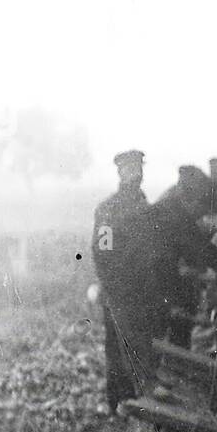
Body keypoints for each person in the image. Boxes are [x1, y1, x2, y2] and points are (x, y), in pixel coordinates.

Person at [92, 149, 157, 414]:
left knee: (139, 344)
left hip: (143, 290)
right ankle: (118, 403)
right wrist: (115, 286)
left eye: (138, 169)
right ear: (120, 173)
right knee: (118, 348)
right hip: (120, 290)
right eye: (130, 170)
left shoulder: (143, 205)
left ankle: (134, 401)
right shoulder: (109, 209)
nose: (136, 174)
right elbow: (102, 251)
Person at [152, 166, 217, 347]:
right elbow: (194, 246)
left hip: (163, 287)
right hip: (155, 289)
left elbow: (197, 243)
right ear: (190, 199)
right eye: (200, 209)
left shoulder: (176, 207)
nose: (200, 216)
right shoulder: (170, 214)